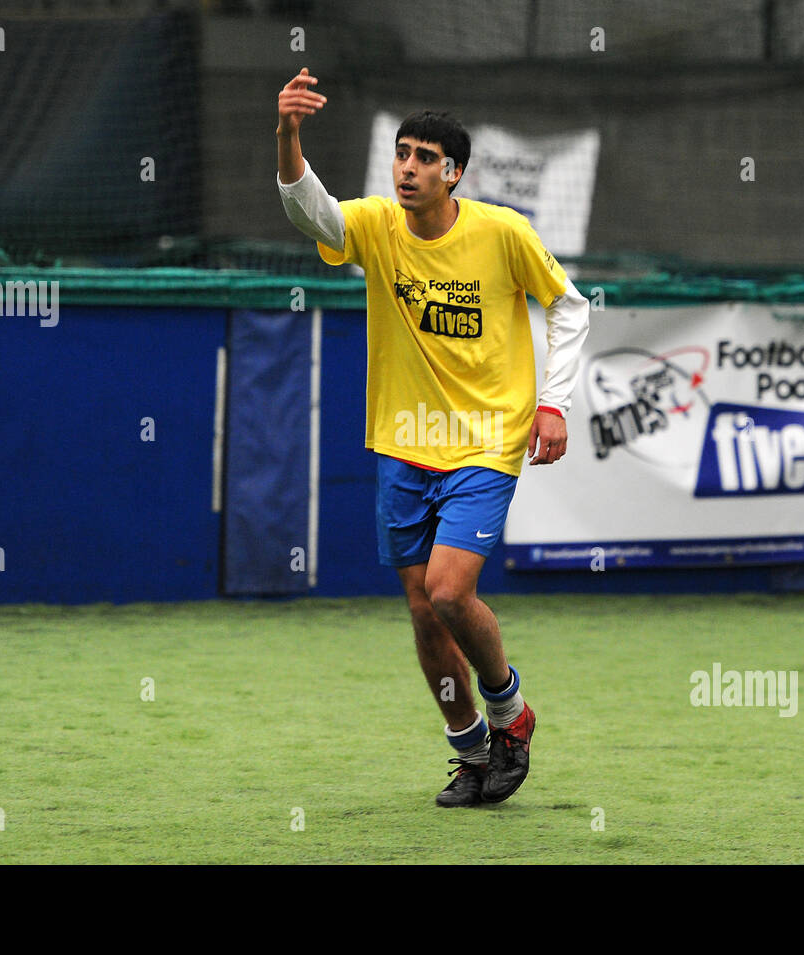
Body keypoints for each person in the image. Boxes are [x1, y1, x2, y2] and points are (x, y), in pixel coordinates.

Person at [275, 68, 589, 807]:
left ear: (454, 172)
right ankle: (472, 750)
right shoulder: (378, 228)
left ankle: (511, 713)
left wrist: (554, 404)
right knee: (421, 608)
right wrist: (287, 132)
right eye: (402, 154)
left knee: (450, 591)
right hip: (403, 442)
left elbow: (568, 307)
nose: (408, 167)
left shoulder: (502, 233)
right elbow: (308, 212)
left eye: (424, 158)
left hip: (485, 439)